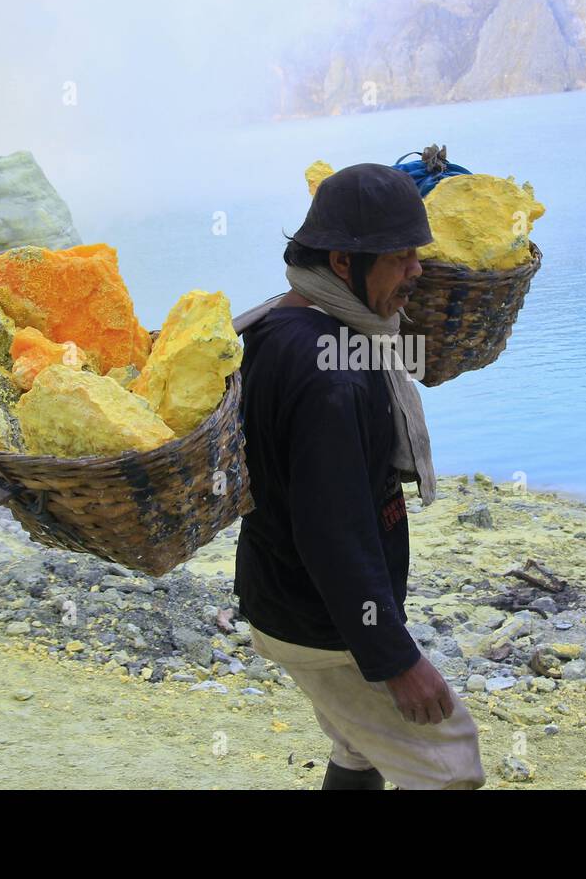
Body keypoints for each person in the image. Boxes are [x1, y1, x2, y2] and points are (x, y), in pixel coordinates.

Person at [232, 163, 486, 790]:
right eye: (400, 258)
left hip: (286, 596)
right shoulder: (332, 376)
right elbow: (332, 533)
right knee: (449, 760)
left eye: (415, 255)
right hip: (322, 617)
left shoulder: (288, 321)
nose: (417, 272)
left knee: (360, 749)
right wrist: (396, 660)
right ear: (344, 263)